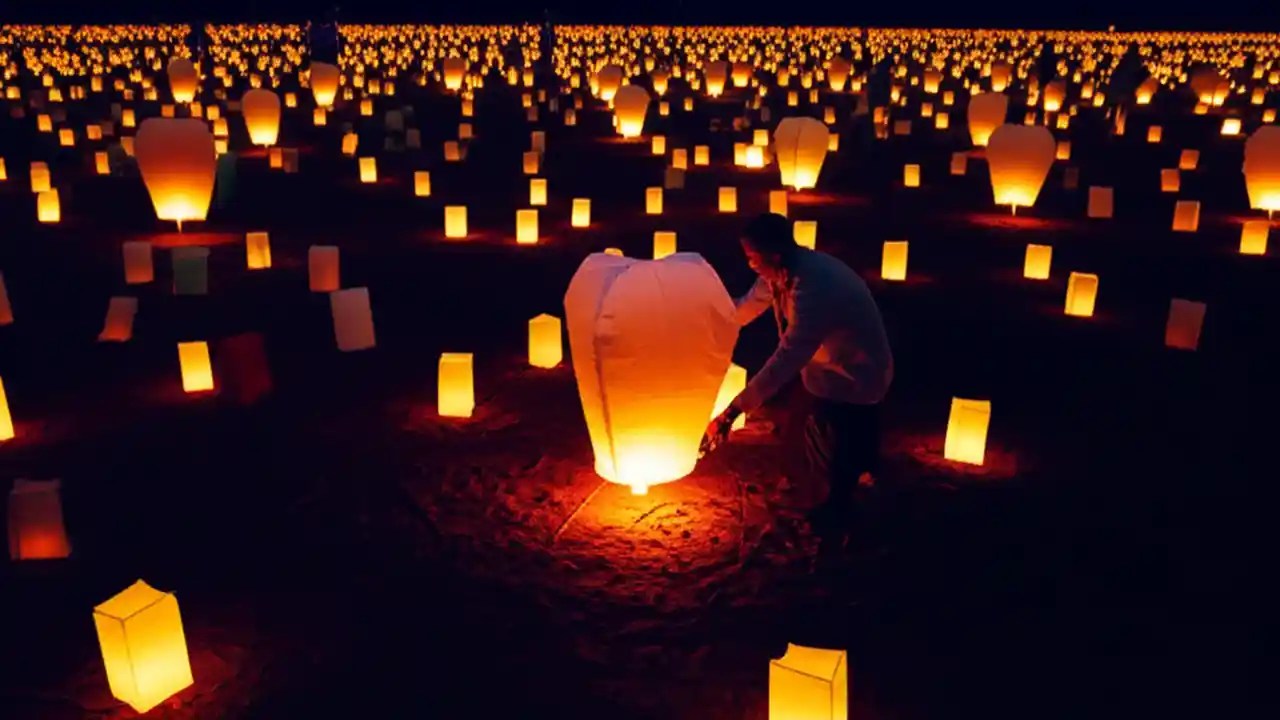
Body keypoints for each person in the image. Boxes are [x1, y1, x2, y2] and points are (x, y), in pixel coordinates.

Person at [703, 213, 894, 537]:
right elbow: (744, 309)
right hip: (824, 369)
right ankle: (847, 485)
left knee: (840, 435)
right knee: (814, 432)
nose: (749, 263)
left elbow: (790, 355)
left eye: (752, 256)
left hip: (853, 372)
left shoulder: (817, 285)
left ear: (773, 255)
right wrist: (704, 315)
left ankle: (843, 509)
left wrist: (733, 410)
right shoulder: (777, 274)